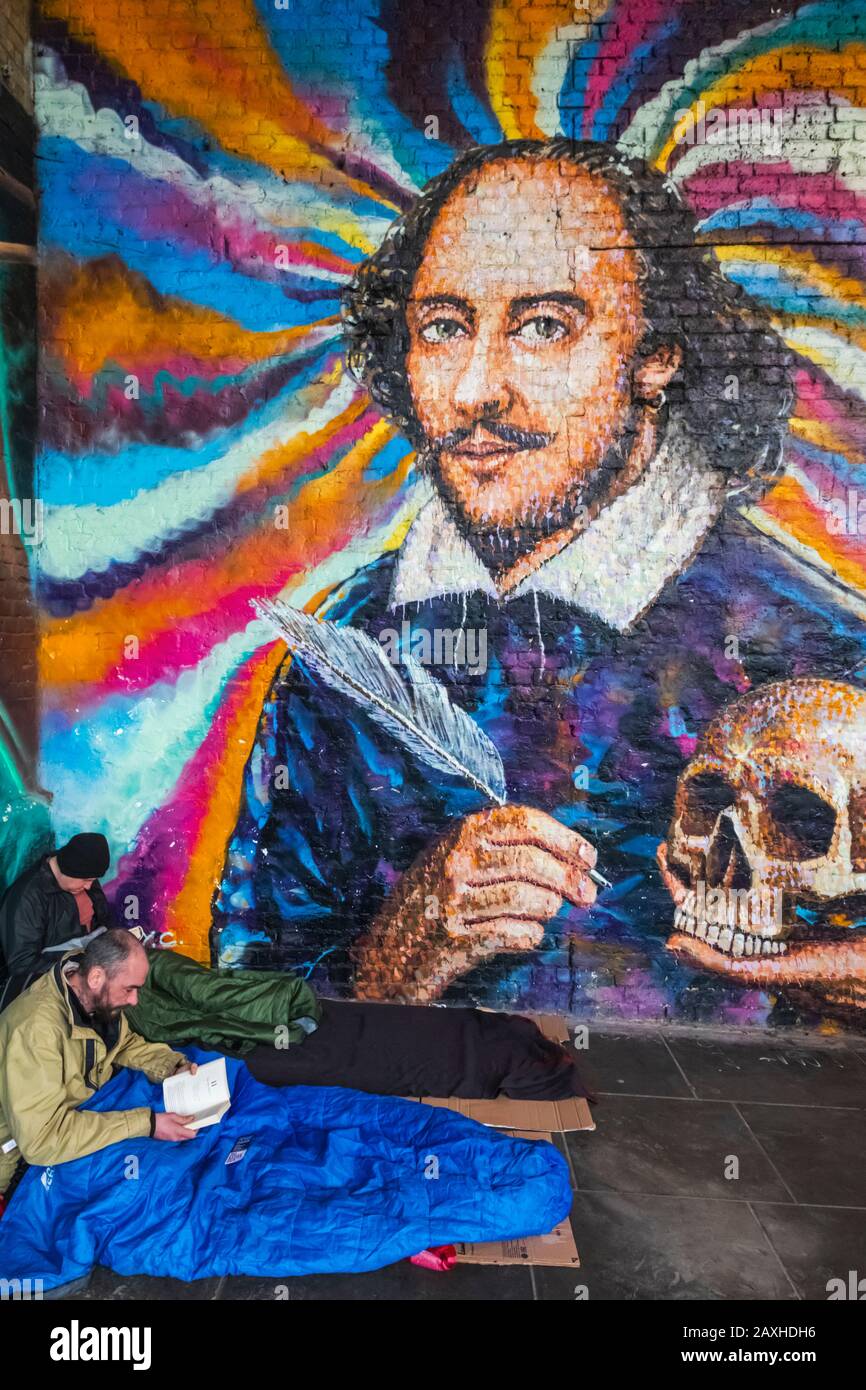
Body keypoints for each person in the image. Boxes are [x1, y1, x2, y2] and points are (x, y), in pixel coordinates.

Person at [213, 139, 866, 1016]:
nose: (477, 388)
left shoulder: (823, 654)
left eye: (545, 325)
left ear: (656, 358)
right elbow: (243, 1000)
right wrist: (396, 955)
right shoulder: (347, 658)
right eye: (444, 326)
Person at [0, 929, 198, 1206]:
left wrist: (171, 1065)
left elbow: (123, 1043)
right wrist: (147, 1123)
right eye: (129, 989)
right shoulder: (35, 1031)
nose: (134, 1001)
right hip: (18, 1160)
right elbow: (42, 1140)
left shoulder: (92, 997)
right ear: (95, 977)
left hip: (72, 1116)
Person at [0, 832, 113, 1009]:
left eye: (93, 880)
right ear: (69, 869)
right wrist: (78, 970)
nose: (90, 886)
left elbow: (104, 922)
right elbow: (21, 964)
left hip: (92, 966)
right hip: (49, 989)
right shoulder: (26, 897)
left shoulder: (82, 878)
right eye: (86, 880)